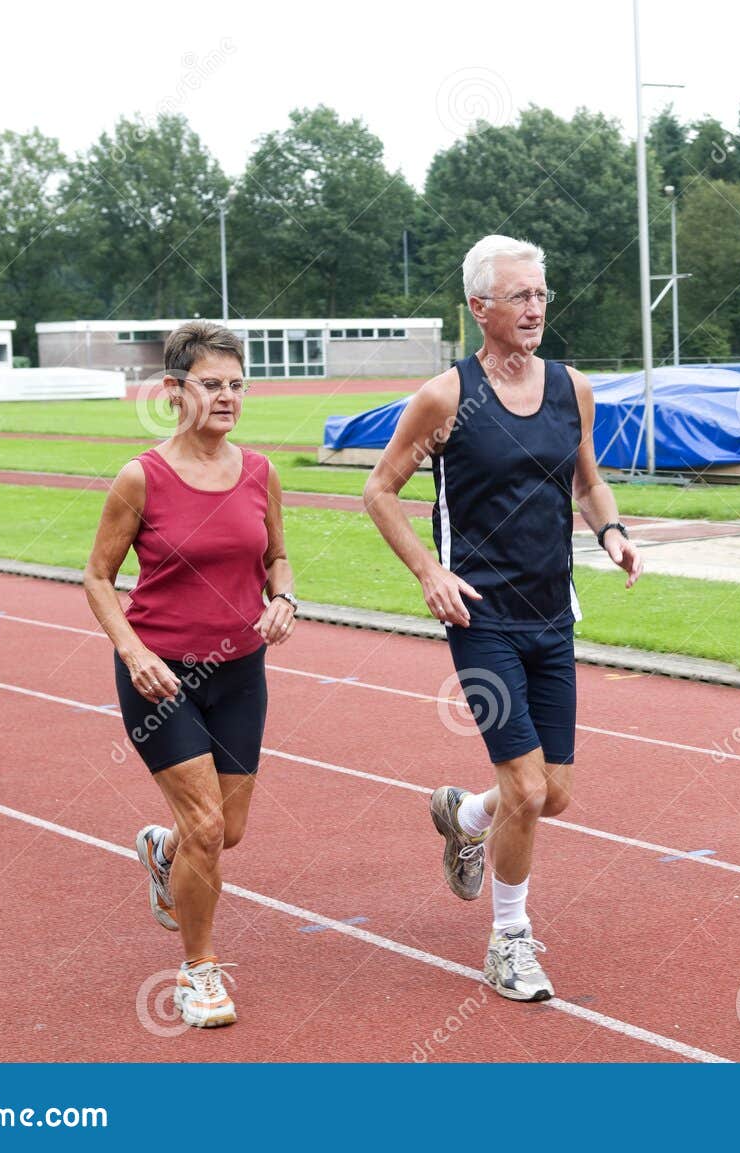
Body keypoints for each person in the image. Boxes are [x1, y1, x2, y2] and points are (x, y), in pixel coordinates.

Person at [364, 234, 643, 1001]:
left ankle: (464, 815)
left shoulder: (571, 388)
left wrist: (612, 531)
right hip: (480, 618)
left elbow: (588, 482)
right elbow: (379, 490)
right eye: (519, 295)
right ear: (478, 307)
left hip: (553, 613)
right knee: (524, 787)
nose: (535, 308)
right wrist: (430, 572)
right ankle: (509, 940)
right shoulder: (445, 398)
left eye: (541, 294)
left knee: (553, 792)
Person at [84, 321, 298, 1028]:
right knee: (205, 827)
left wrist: (285, 599)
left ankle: (161, 849)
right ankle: (198, 971)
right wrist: (133, 652)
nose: (227, 396)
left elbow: (276, 559)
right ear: (174, 390)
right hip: (161, 678)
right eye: (212, 384)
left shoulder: (261, 472)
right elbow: (97, 576)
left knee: (225, 831)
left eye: (237, 384)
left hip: (240, 674)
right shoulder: (141, 477)